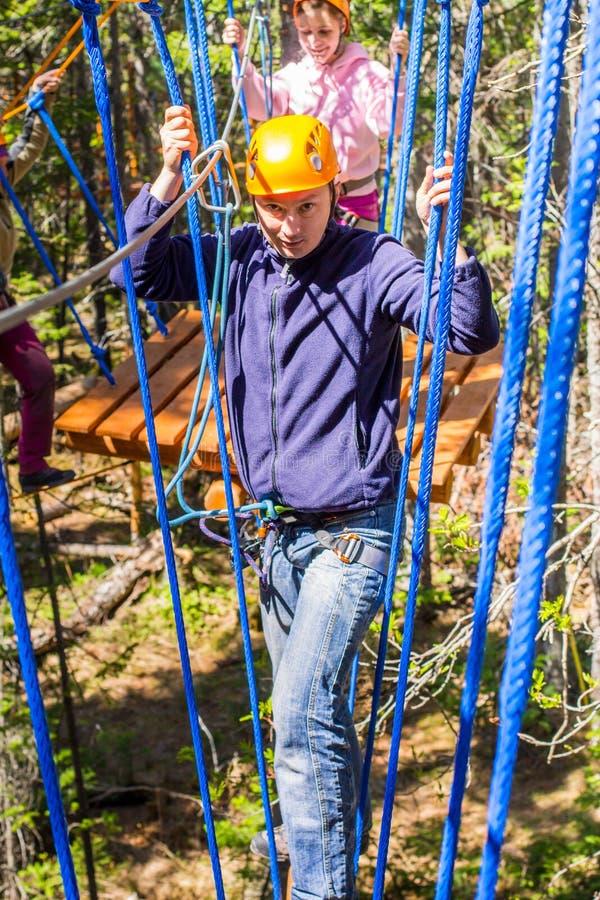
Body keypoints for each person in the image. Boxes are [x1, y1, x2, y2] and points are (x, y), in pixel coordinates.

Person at [111, 106, 500, 900]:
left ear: (334, 191)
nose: (290, 225)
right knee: (315, 717)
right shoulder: (245, 257)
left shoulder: (373, 259)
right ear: (253, 202)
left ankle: (320, 888)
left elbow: (464, 329)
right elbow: (138, 273)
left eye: (306, 205)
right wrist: (167, 176)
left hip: (353, 535)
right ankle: (317, 831)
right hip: (276, 536)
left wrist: (449, 237)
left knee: (298, 718)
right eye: (274, 206)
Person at [222, 0, 409, 230]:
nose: (314, 42)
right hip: (302, 203)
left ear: (342, 24)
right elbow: (257, 103)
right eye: (305, 32)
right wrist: (240, 56)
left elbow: (388, 124)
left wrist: (397, 73)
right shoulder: (295, 77)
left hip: (354, 205)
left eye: (324, 31)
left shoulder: (367, 74)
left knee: (358, 265)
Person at [0, 68, 74, 493]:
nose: (9, 166)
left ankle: (31, 466)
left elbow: (25, 151)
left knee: (39, 373)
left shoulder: (2, 178)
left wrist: (35, 107)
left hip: (2, 302)